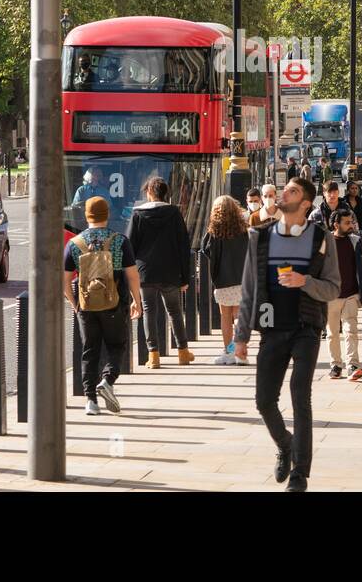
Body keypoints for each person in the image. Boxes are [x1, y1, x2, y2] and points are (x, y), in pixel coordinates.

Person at [234, 177, 341, 492]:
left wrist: (304, 281)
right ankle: (285, 445)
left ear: (306, 203)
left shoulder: (321, 238)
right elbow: (249, 289)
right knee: (264, 401)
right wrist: (241, 337)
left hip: (306, 327)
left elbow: (333, 287)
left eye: (292, 191)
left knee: (300, 395)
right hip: (271, 327)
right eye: (285, 189)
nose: (284, 193)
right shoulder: (260, 236)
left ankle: (300, 474)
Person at [63, 197, 143, 415]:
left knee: (90, 350)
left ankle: (90, 401)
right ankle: (107, 380)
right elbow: (133, 275)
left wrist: (74, 303)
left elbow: (64, 280)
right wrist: (137, 300)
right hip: (114, 304)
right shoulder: (119, 241)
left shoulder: (75, 243)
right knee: (117, 346)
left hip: (86, 305)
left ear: (86, 215)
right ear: (106, 214)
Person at [125, 176, 194, 368]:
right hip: (170, 271)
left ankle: (153, 356)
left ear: (149, 192)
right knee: (175, 311)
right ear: (165, 194)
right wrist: (184, 276)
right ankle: (182, 352)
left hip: (145, 272)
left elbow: (130, 246)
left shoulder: (138, 214)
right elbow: (183, 245)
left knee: (149, 311)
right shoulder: (174, 213)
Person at [326, 206, 362, 381]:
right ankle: (335, 365)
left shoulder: (355, 241)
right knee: (332, 333)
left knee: (350, 330)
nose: (351, 225)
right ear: (335, 224)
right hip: (330, 295)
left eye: (351, 222)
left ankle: (353, 364)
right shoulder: (325, 242)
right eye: (347, 223)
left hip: (351, 294)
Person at [200, 195, 250, 365]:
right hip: (242, 278)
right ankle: (241, 352)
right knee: (238, 315)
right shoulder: (244, 230)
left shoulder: (214, 232)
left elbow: (205, 249)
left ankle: (229, 351)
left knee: (225, 315)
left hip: (223, 279)